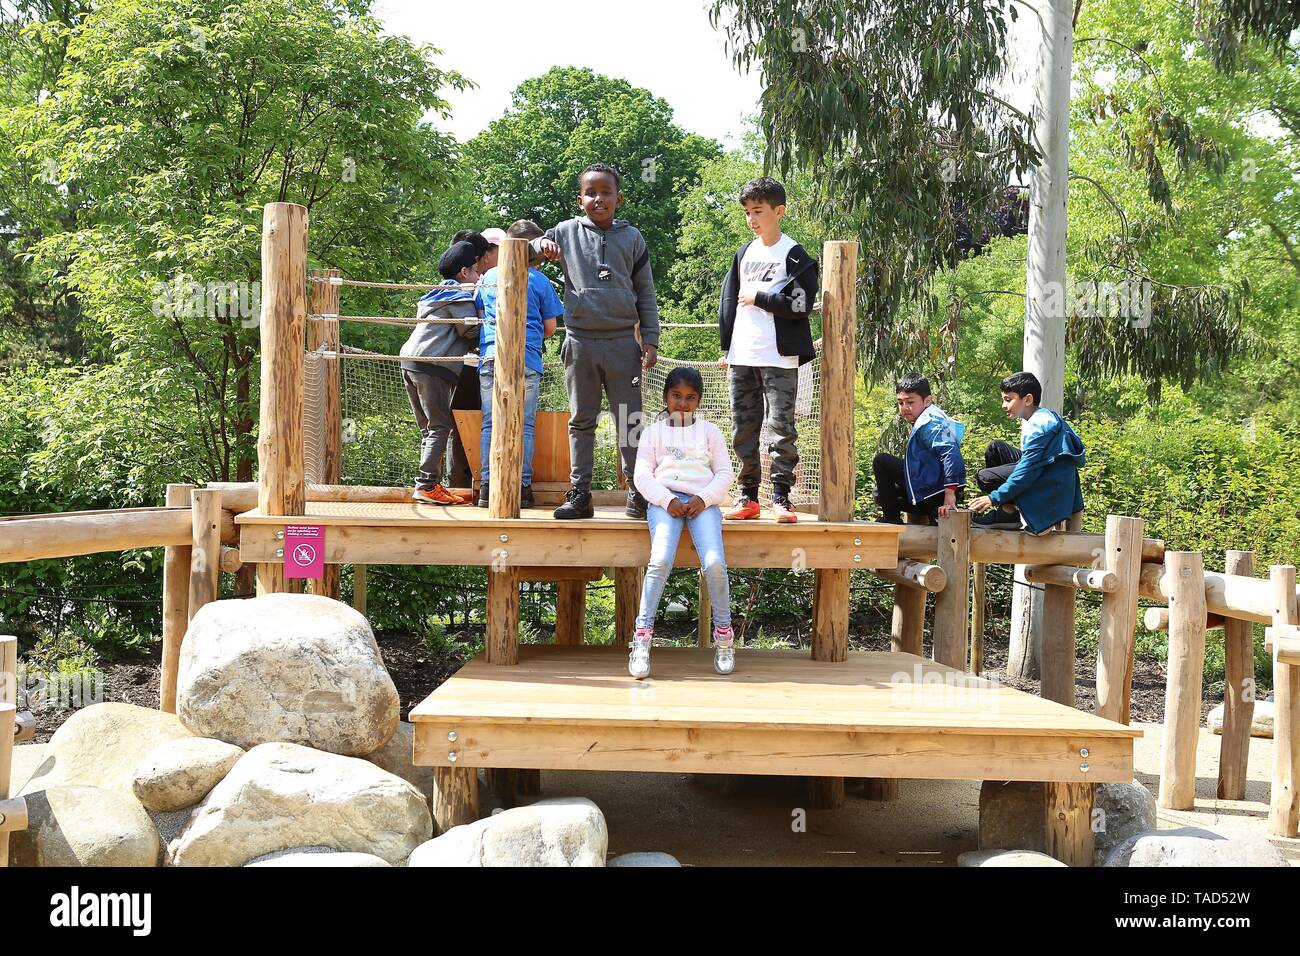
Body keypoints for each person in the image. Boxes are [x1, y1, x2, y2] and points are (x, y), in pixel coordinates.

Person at [532, 163, 660, 520]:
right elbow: (527, 252)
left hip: (623, 342)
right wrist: (540, 243)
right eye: (591, 192)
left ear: (618, 199)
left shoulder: (632, 238)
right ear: (580, 199)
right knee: (581, 420)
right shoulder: (564, 232)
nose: (598, 199)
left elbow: (646, 292)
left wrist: (650, 338)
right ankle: (580, 494)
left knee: (630, 418)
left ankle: (638, 491)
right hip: (580, 342)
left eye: (606, 193)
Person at [718, 177, 819, 523]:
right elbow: (728, 302)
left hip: (780, 357)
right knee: (743, 428)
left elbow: (802, 304)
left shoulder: (795, 255)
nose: (752, 219)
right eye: (747, 212)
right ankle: (747, 496)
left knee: (781, 428)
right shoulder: (743, 253)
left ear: (779, 211)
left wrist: (760, 297)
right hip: (742, 356)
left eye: (758, 211)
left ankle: (781, 497)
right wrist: (727, 348)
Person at [630, 367, 736, 678]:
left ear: (699, 401)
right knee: (661, 559)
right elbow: (642, 476)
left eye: (690, 398)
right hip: (666, 503)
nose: (682, 403)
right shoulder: (652, 432)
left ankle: (725, 636)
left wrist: (703, 499)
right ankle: (642, 638)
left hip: (703, 502)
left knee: (715, 562)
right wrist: (667, 500)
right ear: (665, 396)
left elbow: (725, 474)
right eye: (676, 396)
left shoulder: (710, 432)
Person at [474, 220, 562, 508]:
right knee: (524, 424)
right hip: (528, 358)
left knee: (490, 422)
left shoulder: (487, 278)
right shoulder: (540, 281)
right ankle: (522, 488)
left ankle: (488, 485)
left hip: (490, 356)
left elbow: (479, 316)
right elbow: (550, 327)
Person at [400, 240, 482, 505]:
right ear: (463, 272)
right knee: (439, 427)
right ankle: (425, 486)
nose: (479, 276)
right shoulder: (458, 295)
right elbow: (469, 331)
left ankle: (431, 484)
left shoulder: (434, 294)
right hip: (432, 364)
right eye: (476, 270)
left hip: (411, 361)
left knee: (429, 429)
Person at [968, 371, 1086, 533]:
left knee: (985, 477)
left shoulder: (1040, 427)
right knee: (996, 448)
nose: (1003, 405)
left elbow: (1027, 470)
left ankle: (1017, 512)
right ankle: (1008, 513)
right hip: (1049, 472)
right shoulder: (1046, 416)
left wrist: (993, 497)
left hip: (1050, 489)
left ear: (1028, 399)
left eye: (1008, 400)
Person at [871, 373, 966, 524]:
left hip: (938, 492)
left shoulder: (930, 423)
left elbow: (951, 453)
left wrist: (950, 494)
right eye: (900, 403)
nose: (904, 408)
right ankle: (930, 512)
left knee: (881, 461)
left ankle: (892, 518)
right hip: (932, 487)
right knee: (879, 493)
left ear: (927, 400)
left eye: (910, 402)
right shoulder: (927, 418)